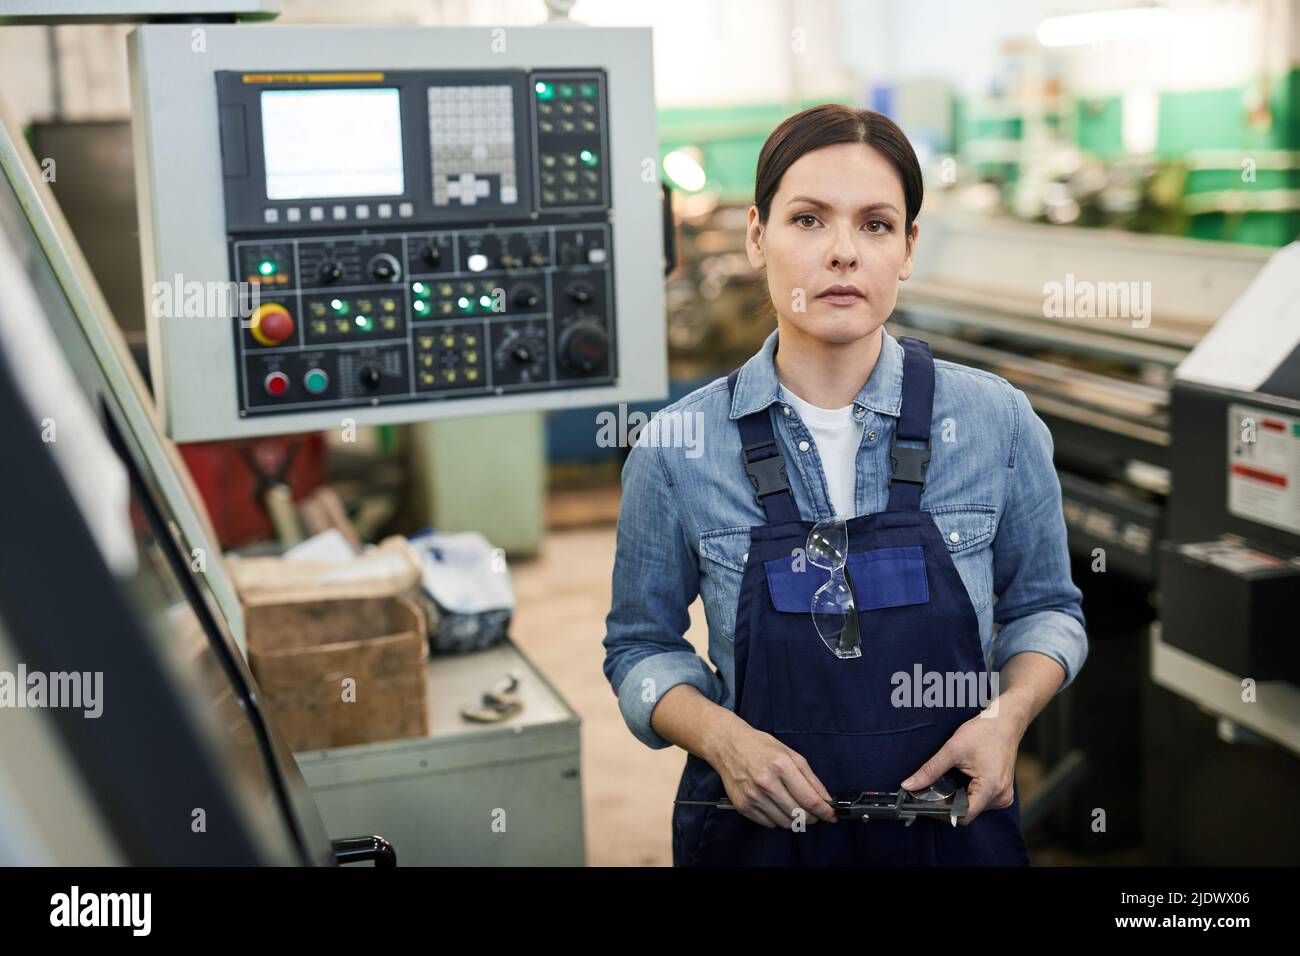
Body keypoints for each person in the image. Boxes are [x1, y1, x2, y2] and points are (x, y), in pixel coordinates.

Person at [602, 104, 1087, 866]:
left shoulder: (996, 422)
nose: (842, 253)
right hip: (760, 840)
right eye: (808, 220)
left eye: (874, 224)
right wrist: (720, 738)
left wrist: (1007, 719)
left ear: (908, 247)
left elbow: (1047, 610)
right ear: (757, 237)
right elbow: (640, 647)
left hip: (949, 836)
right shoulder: (677, 449)